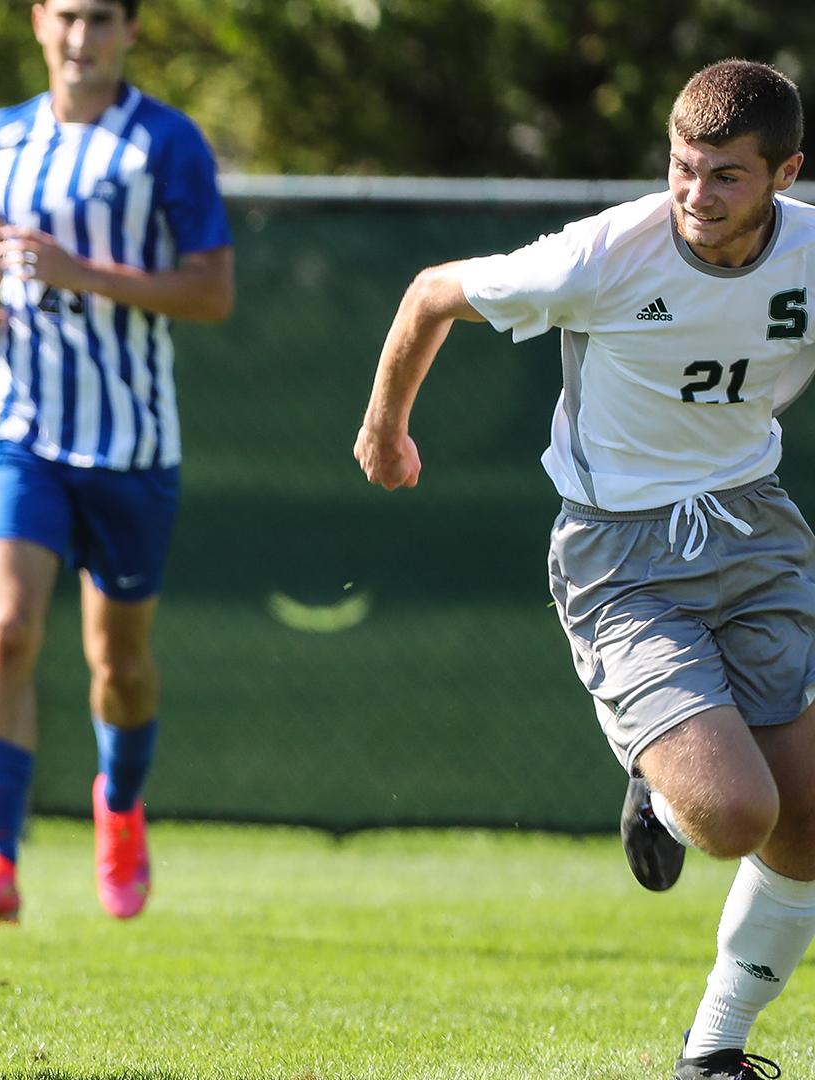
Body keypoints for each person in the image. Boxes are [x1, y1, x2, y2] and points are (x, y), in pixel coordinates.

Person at [356, 60, 815, 1080]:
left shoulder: (814, 259)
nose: (695, 195)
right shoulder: (606, 253)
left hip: (757, 531)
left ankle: (714, 1055)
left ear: (787, 173)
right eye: (681, 167)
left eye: (726, 176)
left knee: (809, 824)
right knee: (735, 816)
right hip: (624, 555)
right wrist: (386, 429)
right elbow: (433, 294)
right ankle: (657, 783)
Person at [0, 0, 234, 924]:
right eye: (67, 15)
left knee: (120, 665)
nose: (82, 35)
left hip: (131, 444)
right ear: (38, 21)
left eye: (101, 17)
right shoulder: (6, 134)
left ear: (131, 31)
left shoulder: (165, 143)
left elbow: (213, 291)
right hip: (20, 430)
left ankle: (120, 802)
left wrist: (87, 276)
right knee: (7, 630)